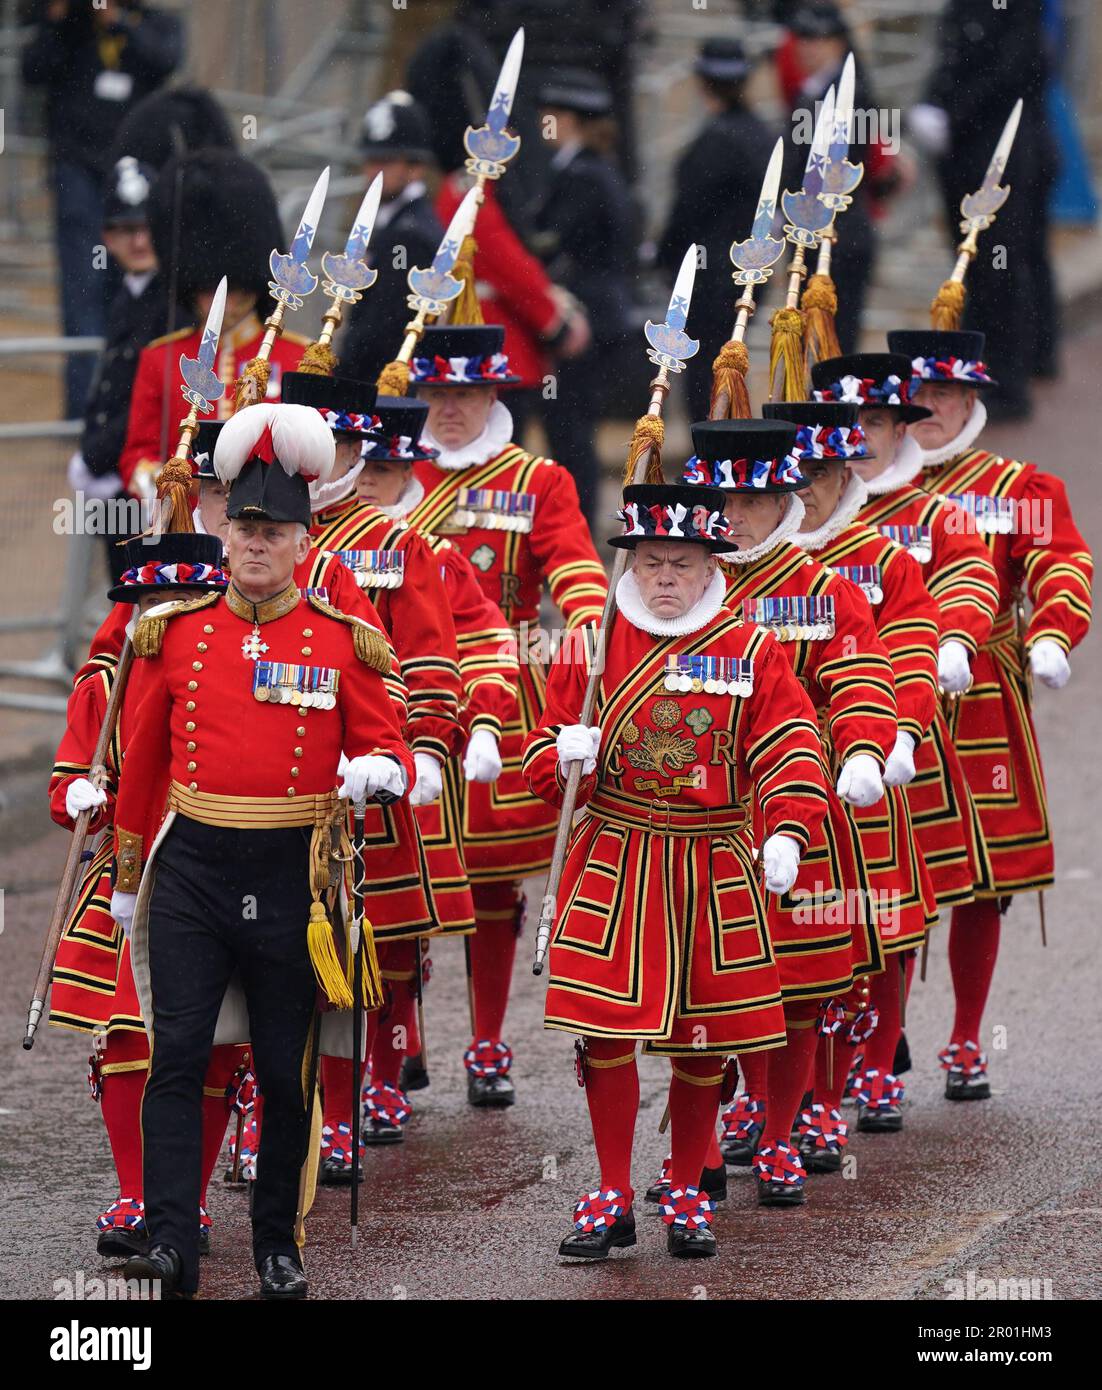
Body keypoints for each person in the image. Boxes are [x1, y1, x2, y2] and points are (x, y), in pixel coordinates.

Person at [113, 403, 413, 1300]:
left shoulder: (341, 640)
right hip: (195, 870)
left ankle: (278, 1244)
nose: (255, 545)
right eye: (243, 526)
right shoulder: (172, 633)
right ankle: (171, 1243)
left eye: (273, 530)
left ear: (300, 538)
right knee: (179, 1053)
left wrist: (377, 773)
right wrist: (131, 875)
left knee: (285, 1070)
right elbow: (144, 767)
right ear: (223, 530)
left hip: (295, 877)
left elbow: (391, 742)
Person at [524, 482, 831, 1259]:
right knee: (604, 1032)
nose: (665, 577)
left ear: (708, 567)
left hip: (714, 859)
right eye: (652, 562)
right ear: (630, 562)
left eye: (682, 564)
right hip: (616, 855)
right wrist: (563, 757)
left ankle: (689, 1188)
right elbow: (541, 748)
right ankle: (613, 1191)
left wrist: (789, 830)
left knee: (704, 1039)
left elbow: (793, 740)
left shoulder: (752, 646)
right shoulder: (589, 643)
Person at [681, 418, 896, 1205]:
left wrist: (868, 746)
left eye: (751, 499)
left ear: (786, 502)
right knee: (709, 984)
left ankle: (778, 1131)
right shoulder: (677, 589)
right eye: (720, 498)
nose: (733, 515)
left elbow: (862, 674)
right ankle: (704, 1137)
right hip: (699, 817)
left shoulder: (824, 589)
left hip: (798, 807)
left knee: (800, 981)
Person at [407, 322, 609, 1105]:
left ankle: (487, 1042)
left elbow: (574, 561)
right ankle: (405, 1040)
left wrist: (590, 621)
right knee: (401, 874)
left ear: (494, 393)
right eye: (436, 394)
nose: (449, 409)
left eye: (464, 394)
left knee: (492, 885)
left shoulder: (536, 480)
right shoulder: (389, 474)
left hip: (503, 686)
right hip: (409, 691)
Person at [889, 326, 1093, 1099]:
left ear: (973, 398)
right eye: (915, 394)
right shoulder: (862, 489)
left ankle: (968, 1039)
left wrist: (1051, 632)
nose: (929, 406)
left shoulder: (1015, 488)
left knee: (981, 878)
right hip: (883, 701)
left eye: (945, 393)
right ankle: (881, 1037)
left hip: (981, 699)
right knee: (887, 871)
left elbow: (1061, 560)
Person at [47, 530, 246, 1258]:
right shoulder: (102, 685)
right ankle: (137, 1195)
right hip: (128, 878)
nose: (166, 611)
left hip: (220, 873)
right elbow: (65, 780)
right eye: (153, 598)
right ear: (133, 607)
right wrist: (76, 792)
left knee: (216, 1045)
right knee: (128, 1037)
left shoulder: (233, 669)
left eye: (184, 598)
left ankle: (186, 1203)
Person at [286, 371, 471, 1151]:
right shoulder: (256, 535)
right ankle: (280, 1103)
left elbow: (429, 662)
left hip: (368, 775)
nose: (331, 461)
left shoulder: (398, 547)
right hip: (274, 780)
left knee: (373, 942)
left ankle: (375, 1082)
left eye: (345, 449)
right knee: (279, 948)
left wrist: (423, 750)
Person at [779, 398, 941, 1142]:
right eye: (795, 473)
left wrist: (896, 737)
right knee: (782, 942)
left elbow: (907, 652)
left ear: (848, 472)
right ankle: (783, 1094)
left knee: (873, 929)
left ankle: (868, 1064)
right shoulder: (745, 569)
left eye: (819, 473)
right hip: (775, 776)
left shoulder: (883, 558)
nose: (806, 488)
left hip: (861, 768)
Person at [810, 350, 999, 910]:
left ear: (899, 430)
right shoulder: (792, 532)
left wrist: (956, 637)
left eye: (872, 423)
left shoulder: (937, 515)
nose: (859, 438)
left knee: (899, 902)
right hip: (799, 736)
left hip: (902, 721)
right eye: (845, 424)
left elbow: (968, 576)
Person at [20, 0, 183, 416]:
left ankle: (128, 404)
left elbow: (164, 59)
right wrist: (59, 20)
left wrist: (118, 21)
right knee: (82, 287)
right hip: (78, 175)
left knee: (131, 284)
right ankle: (84, 409)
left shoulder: (151, 21)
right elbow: (32, 70)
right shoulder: (69, 24)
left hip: (135, 180)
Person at [117, 149, 310, 497]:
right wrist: (164, 483)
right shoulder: (160, 359)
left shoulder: (299, 358)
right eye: (205, 289)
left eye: (233, 288)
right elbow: (138, 455)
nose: (220, 299)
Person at [912, 0, 1057, 418]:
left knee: (1000, 266)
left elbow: (1013, 71)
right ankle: (989, 366)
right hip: (966, 151)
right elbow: (951, 57)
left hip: (999, 152)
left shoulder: (1015, 10)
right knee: (974, 266)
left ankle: (1007, 381)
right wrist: (933, 104)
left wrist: (951, 115)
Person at [529, 69, 636, 522]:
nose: (543, 124)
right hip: (595, 312)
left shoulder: (584, 175)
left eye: (550, 116)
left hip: (587, 317)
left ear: (568, 119)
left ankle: (576, 524)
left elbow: (554, 240)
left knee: (570, 429)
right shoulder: (585, 169)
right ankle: (576, 520)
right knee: (570, 428)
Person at [656, 38, 776, 423]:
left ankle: (707, 459)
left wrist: (662, 258)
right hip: (746, 272)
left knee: (706, 376)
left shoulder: (716, 141)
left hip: (711, 278)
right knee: (725, 366)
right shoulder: (759, 135)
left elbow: (687, 213)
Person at [777, 1, 900, 354]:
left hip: (840, 233)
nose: (805, 48)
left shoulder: (851, 96)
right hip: (814, 229)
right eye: (801, 40)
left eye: (815, 40)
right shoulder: (812, 91)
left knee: (833, 344)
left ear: (836, 44)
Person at [68, 156, 164, 581]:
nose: (139, 241)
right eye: (126, 230)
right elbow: (109, 384)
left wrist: (96, 456)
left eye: (147, 228)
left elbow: (157, 401)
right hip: (116, 479)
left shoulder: (171, 303)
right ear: (107, 237)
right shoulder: (129, 294)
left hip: (144, 482)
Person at [338, 92, 445, 387]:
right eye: (370, 160)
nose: (372, 171)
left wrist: (341, 378)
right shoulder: (396, 222)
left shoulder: (410, 234)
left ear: (415, 166)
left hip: (382, 386)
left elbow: (380, 332)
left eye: (385, 161)